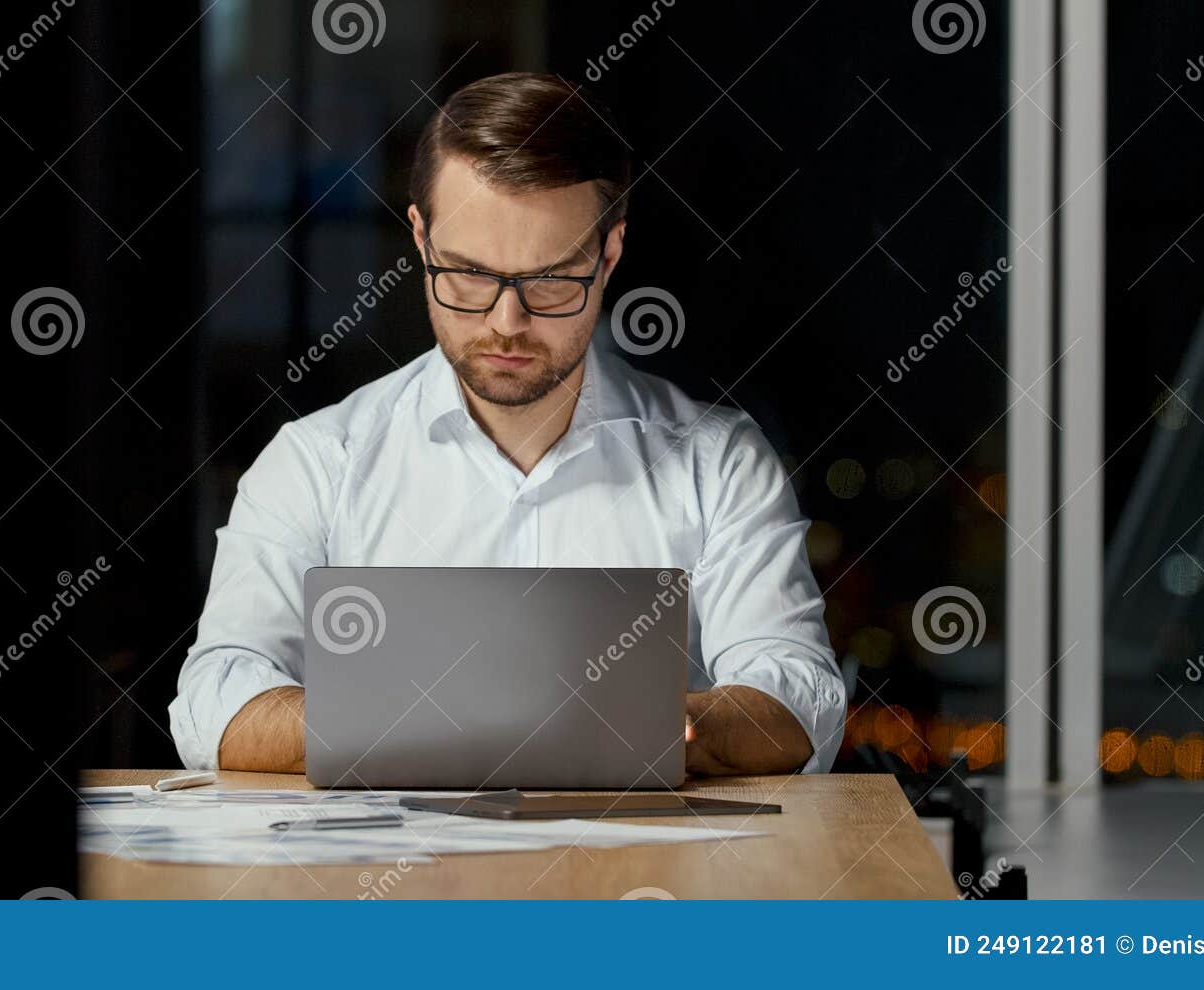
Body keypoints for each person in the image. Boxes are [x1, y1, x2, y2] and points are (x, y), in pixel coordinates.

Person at [169, 72, 845, 777]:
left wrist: (671, 722)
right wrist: (471, 721)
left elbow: (805, 705)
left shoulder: (719, 464)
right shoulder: (316, 462)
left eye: (551, 279)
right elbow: (214, 705)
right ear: (422, 241)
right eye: (467, 275)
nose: (506, 322)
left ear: (609, 255)